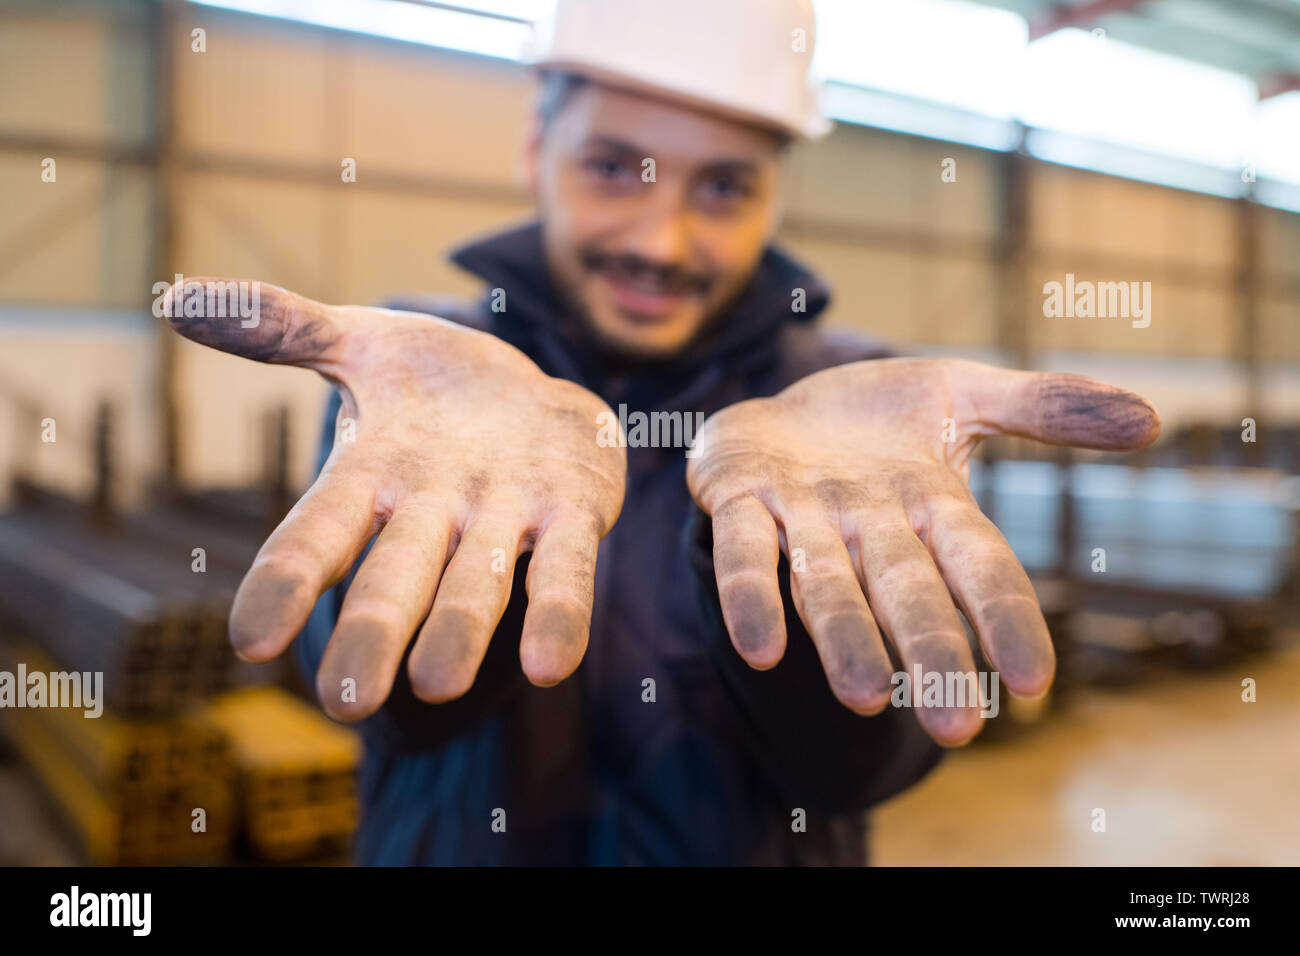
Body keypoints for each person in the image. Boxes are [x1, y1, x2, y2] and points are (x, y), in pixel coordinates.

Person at [163, 0, 1159, 864]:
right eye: (611, 167)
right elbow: (384, 704)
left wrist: (787, 599)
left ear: (776, 188)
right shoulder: (421, 383)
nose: (660, 240)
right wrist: (497, 567)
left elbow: (866, 766)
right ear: (532, 150)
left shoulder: (857, 416)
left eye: (721, 186)